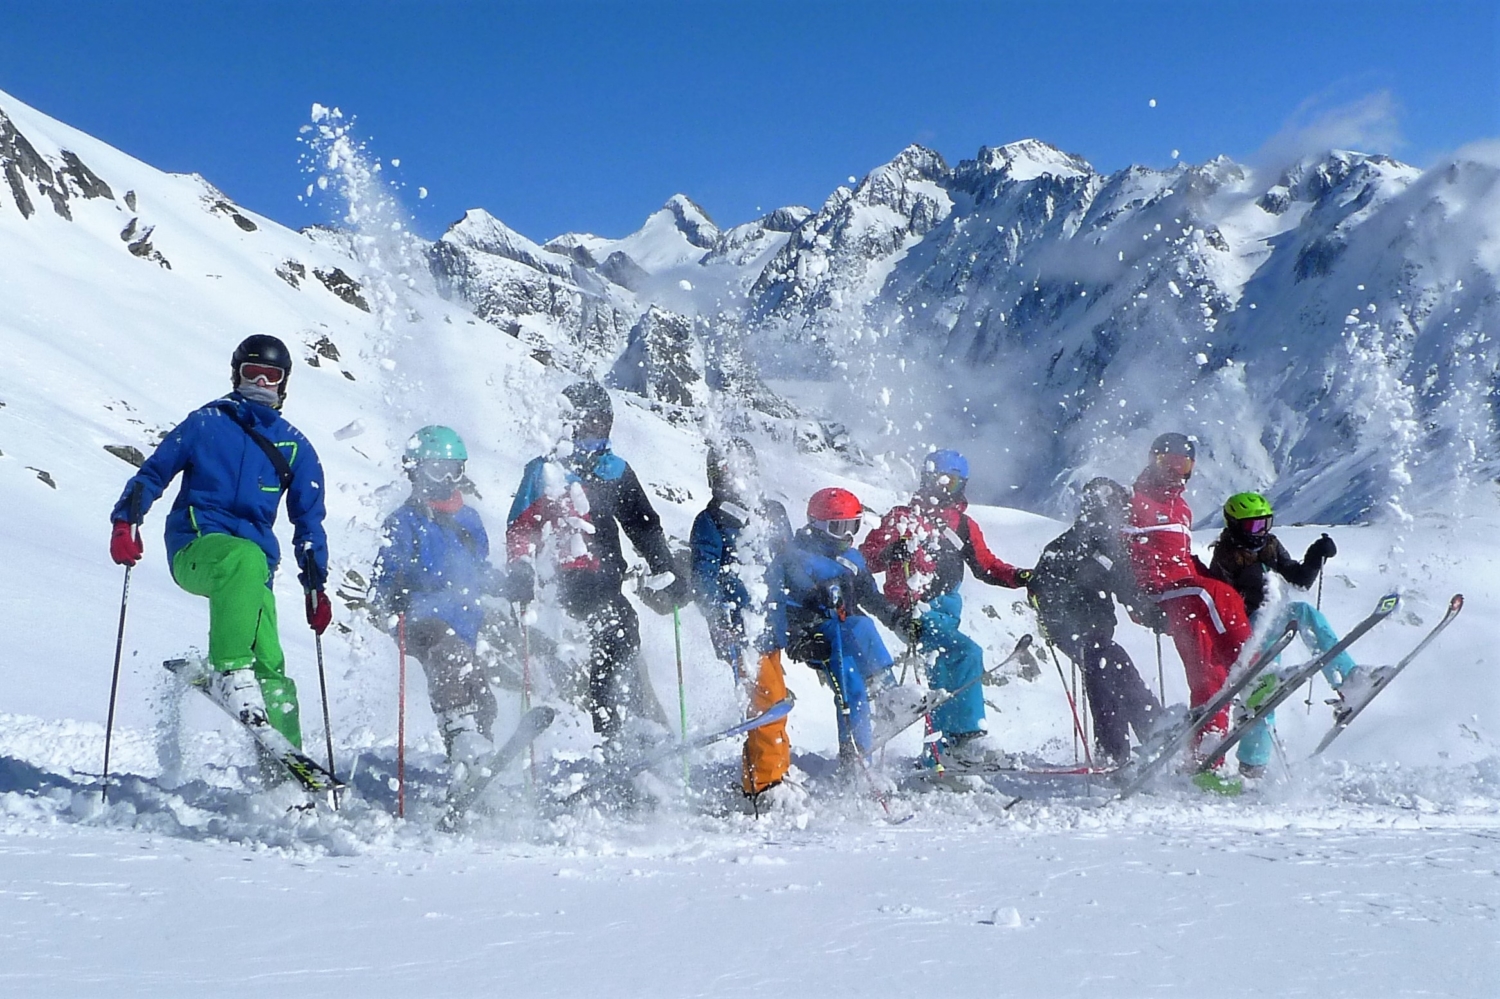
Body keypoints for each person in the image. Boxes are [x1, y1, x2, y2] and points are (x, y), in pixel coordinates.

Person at [108, 334, 330, 763]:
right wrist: (126, 521)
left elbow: (309, 521)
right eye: (252, 373)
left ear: (284, 383)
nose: (260, 383)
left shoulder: (295, 446)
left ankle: (283, 769)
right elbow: (154, 473)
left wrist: (314, 585)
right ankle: (230, 668)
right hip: (197, 548)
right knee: (242, 558)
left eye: (270, 376)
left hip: (253, 572)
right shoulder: (206, 423)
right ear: (236, 375)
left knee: (271, 666)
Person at [506, 381, 688, 745]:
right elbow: (522, 528)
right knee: (618, 627)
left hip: (605, 582)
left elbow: (642, 524)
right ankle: (613, 733)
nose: (595, 431)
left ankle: (635, 731)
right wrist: (521, 568)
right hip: (561, 586)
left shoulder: (614, 470)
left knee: (624, 639)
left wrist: (664, 568)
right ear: (569, 423)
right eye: (587, 423)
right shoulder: (546, 471)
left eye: (602, 423)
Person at [370, 426, 534, 771]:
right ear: (415, 470)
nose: (446, 479)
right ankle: (462, 742)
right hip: (419, 621)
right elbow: (382, 579)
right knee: (450, 655)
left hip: (464, 623)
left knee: (482, 698)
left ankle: (475, 765)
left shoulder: (468, 520)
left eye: (454, 470)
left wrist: (510, 585)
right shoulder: (402, 522)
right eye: (436, 469)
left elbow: (478, 572)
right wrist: (396, 591)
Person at [860, 450, 1031, 765]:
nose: (940, 487)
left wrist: (1020, 577)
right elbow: (865, 560)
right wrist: (889, 553)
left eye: (948, 481)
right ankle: (965, 739)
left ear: (960, 484)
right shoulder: (902, 518)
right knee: (965, 652)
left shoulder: (963, 526)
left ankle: (937, 756)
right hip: (913, 610)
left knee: (941, 675)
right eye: (934, 479)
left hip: (948, 610)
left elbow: (986, 566)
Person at [1206, 491, 1357, 778]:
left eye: (1265, 523)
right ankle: (1253, 765)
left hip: (1271, 624)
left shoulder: (1270, 545)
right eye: (1253, 526)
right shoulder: (1225, 556)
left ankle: (1348, 679)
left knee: (1303, 616)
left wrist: (1315, 556)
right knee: (1261, 692)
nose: (1260, 532)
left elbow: (1298, 579)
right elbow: (1222, 603)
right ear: (1235, 525)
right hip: (1246, 633)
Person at [1125, 433, 1251, 754]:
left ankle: (1205, 756)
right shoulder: (1133, 501)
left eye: (1181, 465)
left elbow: (1182, 559)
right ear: (1152, 460)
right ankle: (1252, 674)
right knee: (1218, 594)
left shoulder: (1181, 509)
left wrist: (1210, 577)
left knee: (1210, 674)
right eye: (1166, 462)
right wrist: (1132, 597)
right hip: (1154, 593)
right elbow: (1115, 550)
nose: (1173, 471)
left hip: (1186, 598)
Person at [688, 438, 795, 798]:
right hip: (740, 630)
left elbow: (788, 563)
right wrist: (720, 621)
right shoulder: (711, 521)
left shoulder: (772, 512)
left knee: (773, 703)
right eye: (725, 471)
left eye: (741, 468)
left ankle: (768, 776)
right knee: (769, 704)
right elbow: (703, 578)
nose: (735, 477)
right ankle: (766, 785)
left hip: (772, 625)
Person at [767, 487, 905, 764]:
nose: (848, 535)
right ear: (817, 525)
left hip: (846, 636)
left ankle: (856, 758)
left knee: (854, 688)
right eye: (838, 528)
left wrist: (896, 618)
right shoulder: (794, 558)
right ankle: (889, 696)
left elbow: (870, 596)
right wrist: (796, 641)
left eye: (853, 526)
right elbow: (778, 603)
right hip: (818, 636)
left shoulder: (853, 559)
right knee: (860, 628)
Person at [1028, 478, 1162, 764]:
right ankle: (1129, 743)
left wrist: (1153, 614)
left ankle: (1142, 737)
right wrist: (1151, 614)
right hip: (1072, 630)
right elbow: (1041, 587)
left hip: (1090, 631)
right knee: (1104, 666)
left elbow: (1127, 588)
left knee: (1112, 665)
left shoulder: (1098, 546)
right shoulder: (1078, 547)